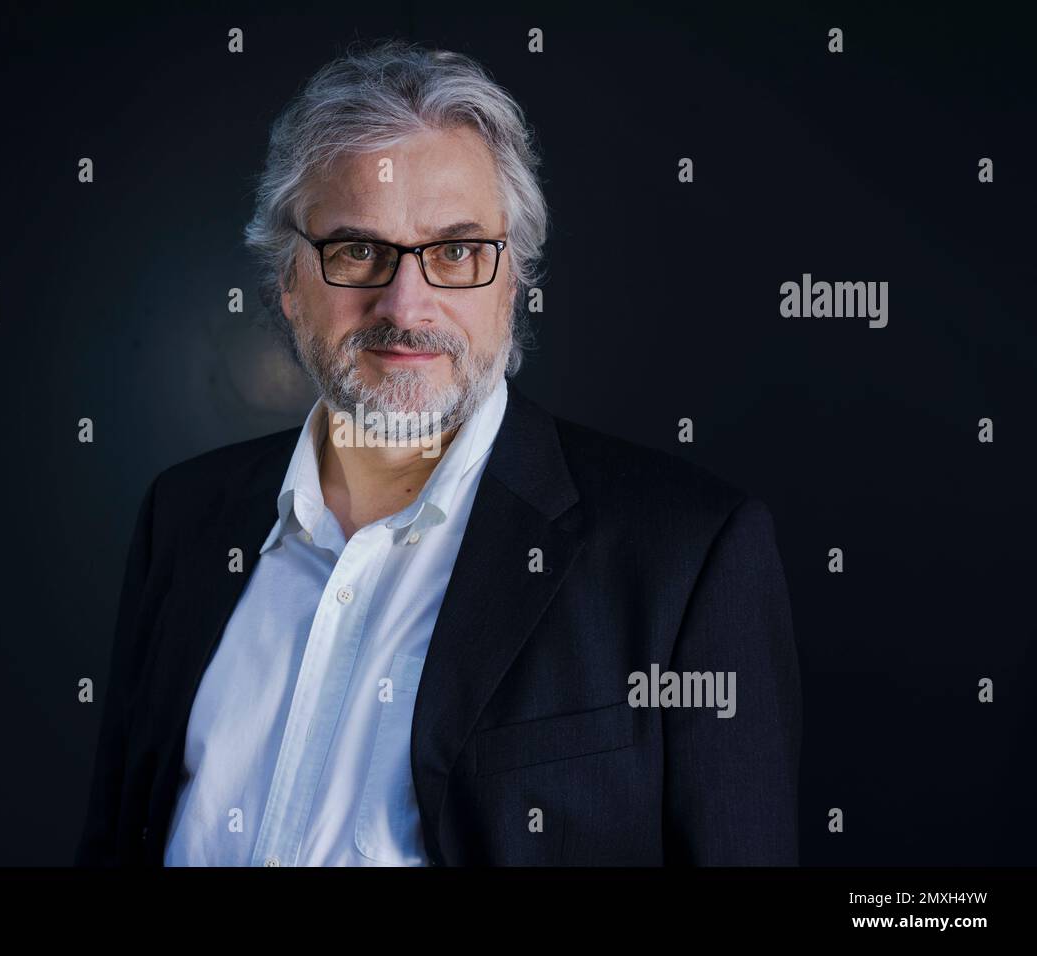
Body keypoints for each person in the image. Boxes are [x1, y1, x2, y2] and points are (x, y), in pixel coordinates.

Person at [75, 38, 801, 867]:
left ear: (514, 275)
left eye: (455, 251)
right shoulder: (185, 516)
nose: (404, 303)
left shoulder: (686, 555)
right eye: (357, 250)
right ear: (286, 279)